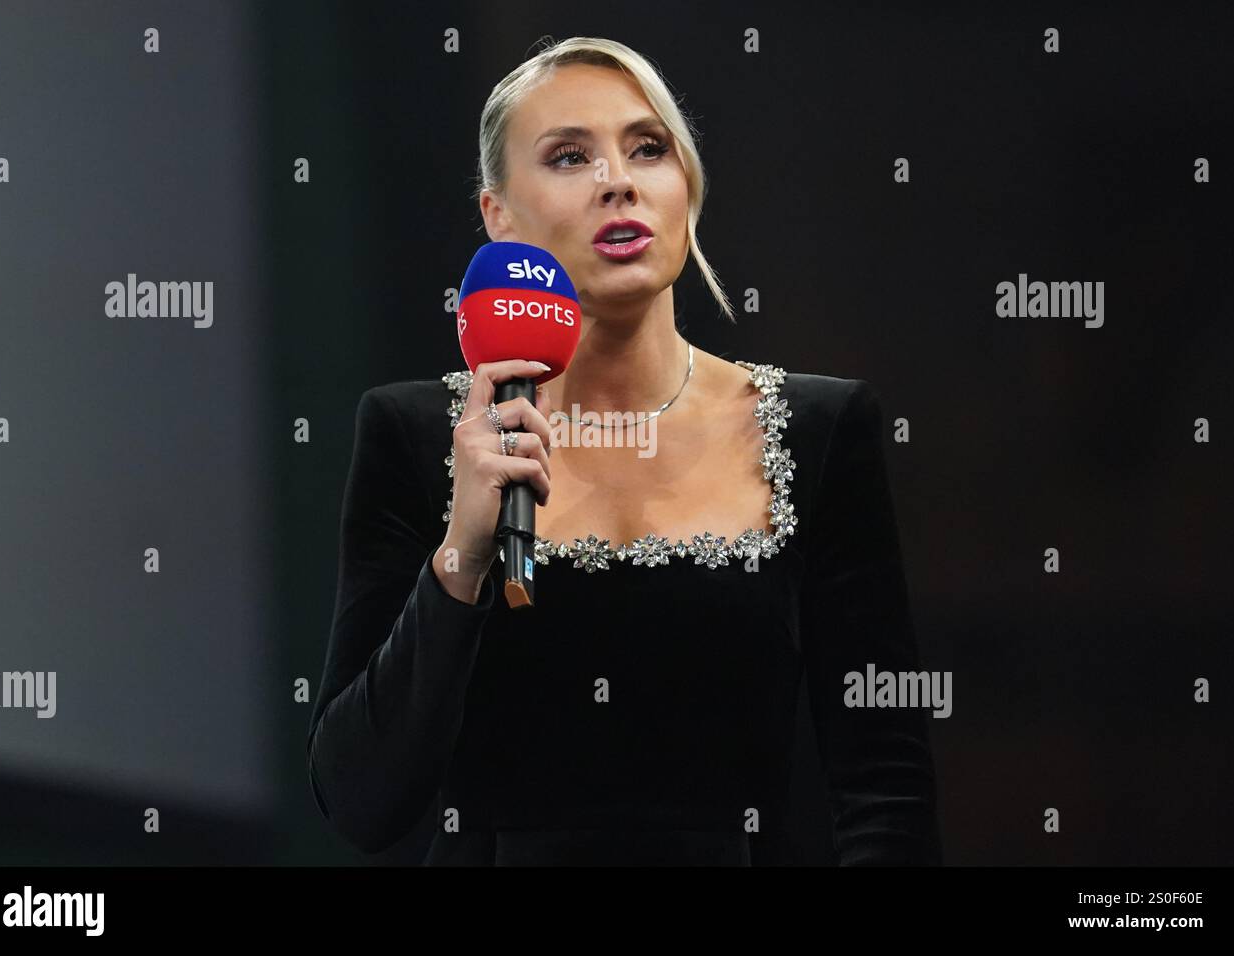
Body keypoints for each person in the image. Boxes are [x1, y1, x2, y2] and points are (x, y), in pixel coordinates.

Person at [307, 36, 942, 865]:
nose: (619, 180)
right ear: (499, 216)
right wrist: (462, 553)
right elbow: (361, 799)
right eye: (570, 157)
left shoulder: (821, 427)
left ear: (687, 188)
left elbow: (884, 785)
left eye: (649, 149)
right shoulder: (419, 433)